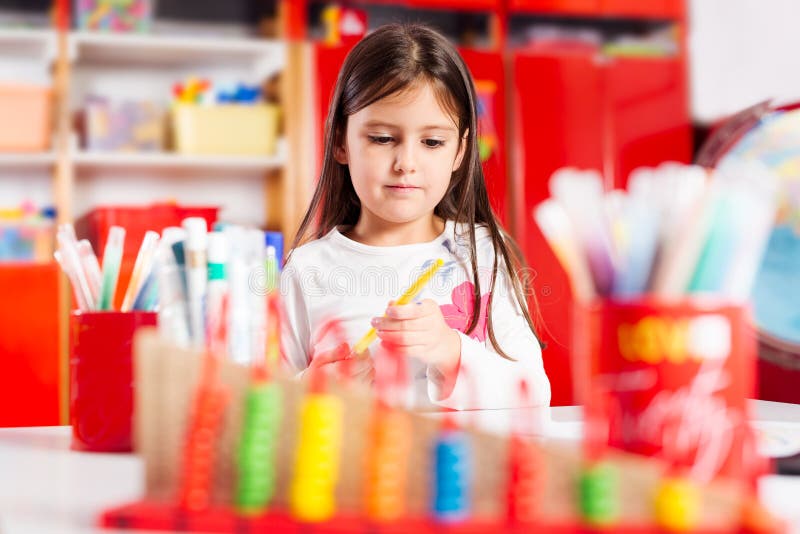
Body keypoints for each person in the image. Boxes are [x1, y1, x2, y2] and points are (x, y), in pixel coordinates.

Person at [280, 23, 550, 409]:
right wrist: (313, 388)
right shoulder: (308, 268)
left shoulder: (484, 252)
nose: (406, 163)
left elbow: (535, 397)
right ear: (341, 141)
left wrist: (450, 351)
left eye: (432, 142)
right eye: (383, 139)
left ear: (459, 150)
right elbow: (270, 410)